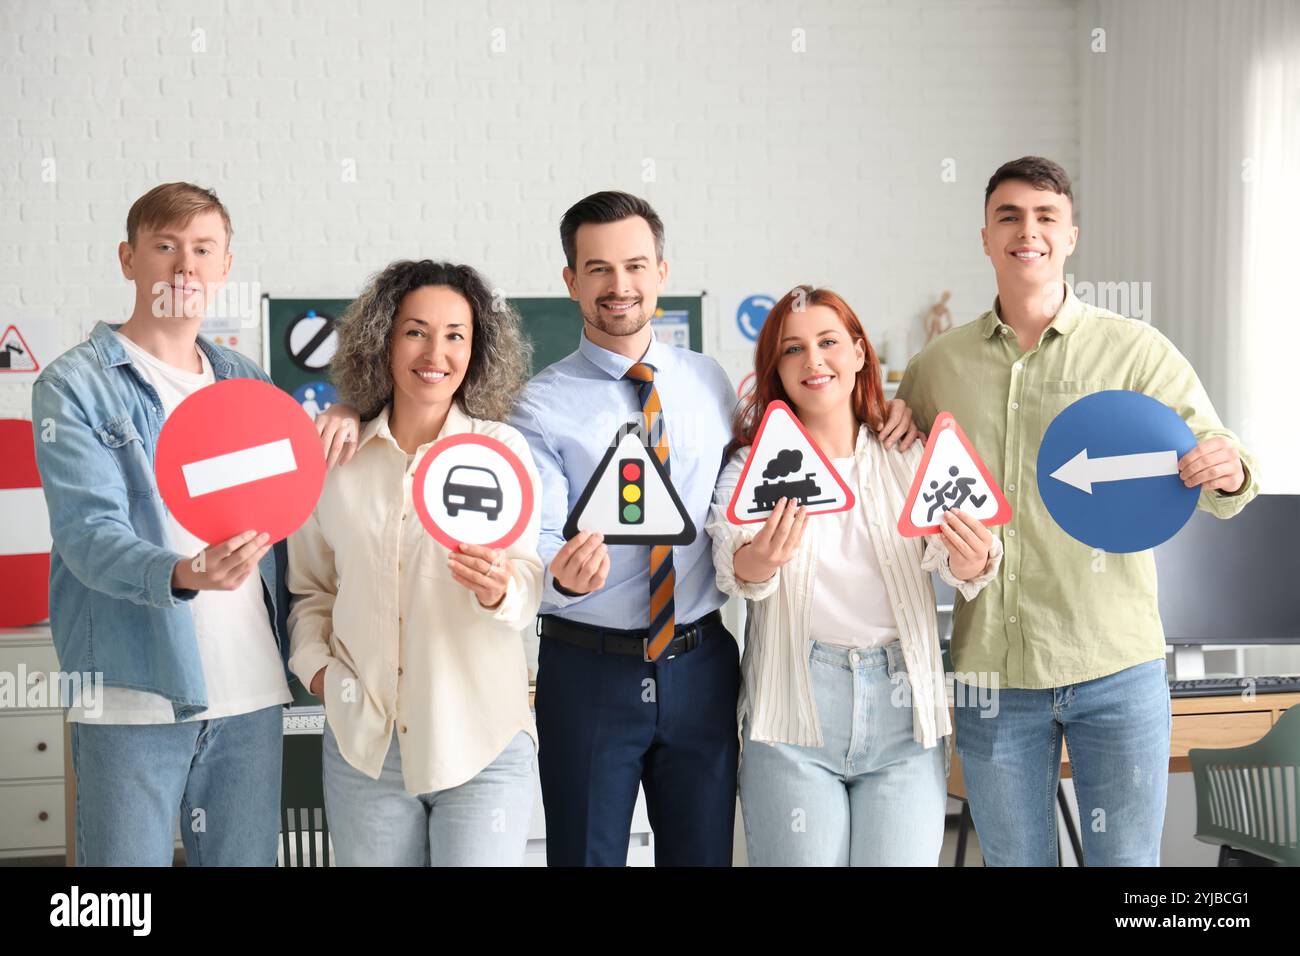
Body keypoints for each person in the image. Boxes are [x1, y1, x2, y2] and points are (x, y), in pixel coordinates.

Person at [503, 191, 923, 865]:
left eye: (636, 266)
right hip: (587, 670)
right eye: (599, 268)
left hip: (701, 664)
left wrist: (884, 406)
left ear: (662, 273)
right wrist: (559, 570)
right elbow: (540, 536)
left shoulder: (709, 384)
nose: (620, 286)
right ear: (571, 280)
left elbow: (793, 435)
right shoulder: (540, 405)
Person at [896, 156, 1261, 866]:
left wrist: (1227, 466)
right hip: (994, 675)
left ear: (1070, 237)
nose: (1026, 230)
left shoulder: (1135, 351)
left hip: (1114, 664)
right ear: (984, 237)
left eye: (1044, 217)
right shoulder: (937, 366)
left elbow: (1219, 456)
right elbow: (898, 479)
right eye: (1009, 216)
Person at [31, 182, 292, 865]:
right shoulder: (74, 384)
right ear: (128, 259)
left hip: (250, 694)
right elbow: (87, 535)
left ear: (225, 266)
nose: (185, 268)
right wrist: (182, 572)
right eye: (166, 247)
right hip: (131, 693)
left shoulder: (249, 383)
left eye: (203, 250)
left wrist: (347, 419)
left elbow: (296, 507)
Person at [707, 285, 1001, 866]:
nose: (813, 361)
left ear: (861, 353)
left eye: (828, 342)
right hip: (792, 709)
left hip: (905, 713)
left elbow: (962, 560)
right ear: (776, 370)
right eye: (792, 350)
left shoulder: (907, 455)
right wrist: (760, 559)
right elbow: (731, 562)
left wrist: (974, 559)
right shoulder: (750, 465)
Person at [287, 259, 542, 866]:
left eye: (456, 334)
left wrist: (499, 588)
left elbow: (530, 579)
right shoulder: (334, 460)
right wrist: (322, 674)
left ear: (476, 350)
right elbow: (310, 590)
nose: (436, 351)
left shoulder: (499, 452)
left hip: (481, 742)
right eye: (416, 330)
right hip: (365, 747)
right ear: (383, 340)